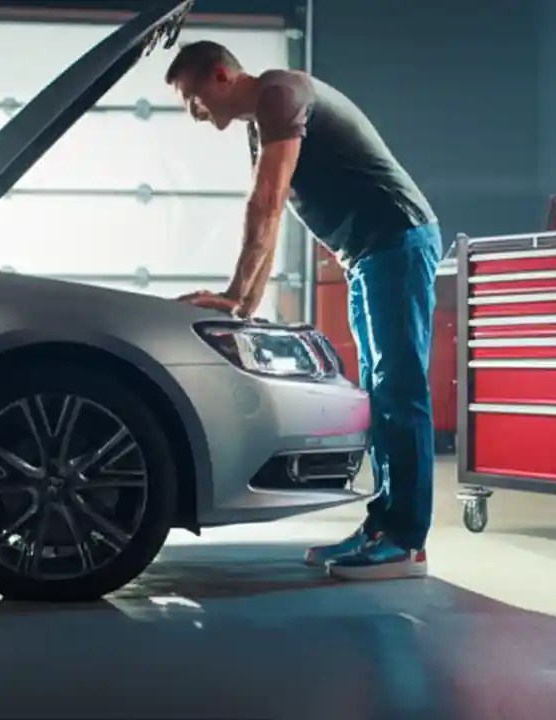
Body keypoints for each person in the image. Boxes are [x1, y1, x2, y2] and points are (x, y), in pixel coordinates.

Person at [164, 41, 441, 581]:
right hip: (369, 253)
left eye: (192, 98)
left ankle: (407, 541)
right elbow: (272, 217)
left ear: (220, 76)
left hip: (398, 241)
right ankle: (383, 526)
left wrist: (234, 294)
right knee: (381, 392)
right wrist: (242, 302)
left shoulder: (280, 93)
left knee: (399, 389)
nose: (193, 113)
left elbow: (265, 203)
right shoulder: (262, 117)